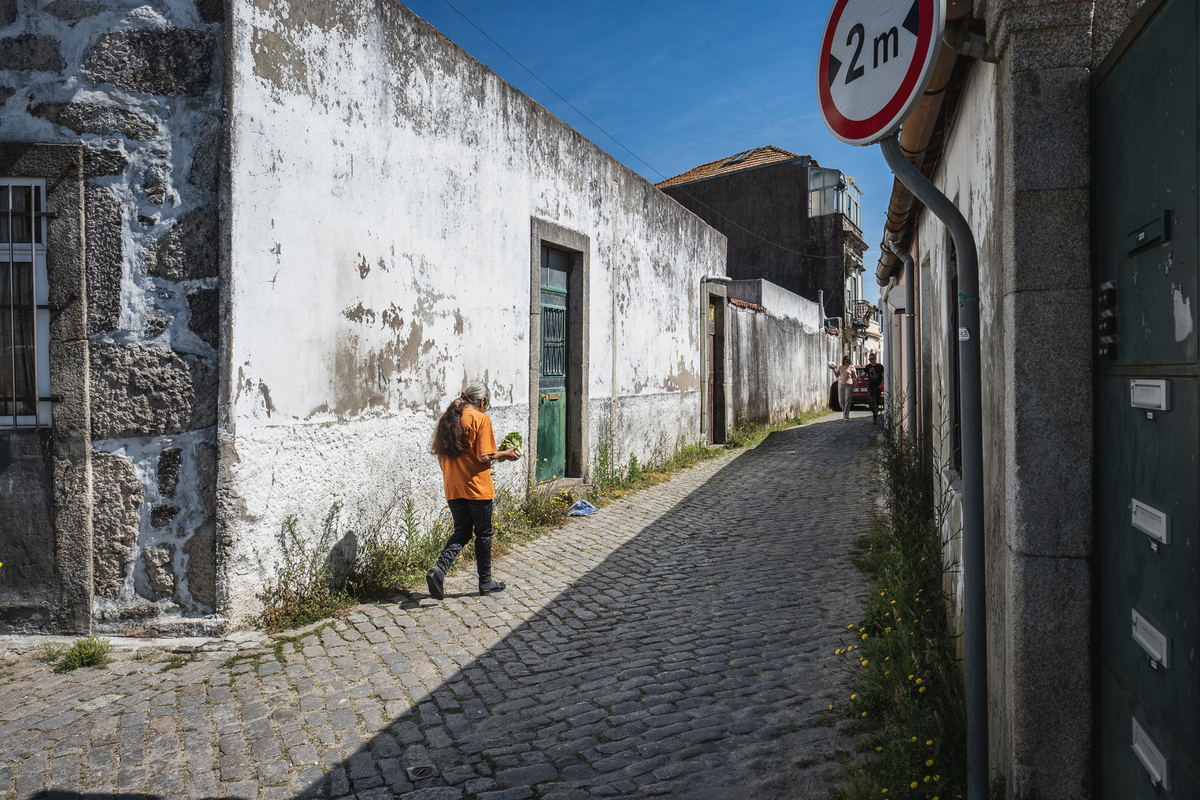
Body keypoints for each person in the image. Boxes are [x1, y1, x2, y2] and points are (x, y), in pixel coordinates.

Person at [426, 381, 520, 600]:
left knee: (462, 531)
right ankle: (485, 581)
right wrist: (504, 453)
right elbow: (483, 457)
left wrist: (452, 475)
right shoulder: (481, 419)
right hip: (477, 487)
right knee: (483, 533)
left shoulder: (446, 419)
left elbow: (440, 456)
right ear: (483, 401)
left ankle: (439, 569)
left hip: (453, 486)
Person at [829, 355, 855, 421]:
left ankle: (846, 416)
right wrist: (833, 370)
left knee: (848, 400)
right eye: (845, 361)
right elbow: (837, 375)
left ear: (849, 361)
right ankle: (845, 412)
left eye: (847, 361)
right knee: (841, 400)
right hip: (841, 384)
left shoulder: (851, 367)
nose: (846, 363)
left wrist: (858, 385)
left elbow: (855, 376)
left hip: (849, 384)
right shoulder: (840, 367)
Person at [864, 351, 885, 425]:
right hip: (870, 386)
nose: (870, 361)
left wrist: (880, 385)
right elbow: (864, 374)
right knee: (870, 403)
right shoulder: (868, 367)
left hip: (877, 386)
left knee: (876, 401)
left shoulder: (880, 367)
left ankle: (875, 418)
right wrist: (860, 377)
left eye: (872, 359)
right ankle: (875, 412)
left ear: (875, 359)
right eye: (869, 359)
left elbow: (883, 377)